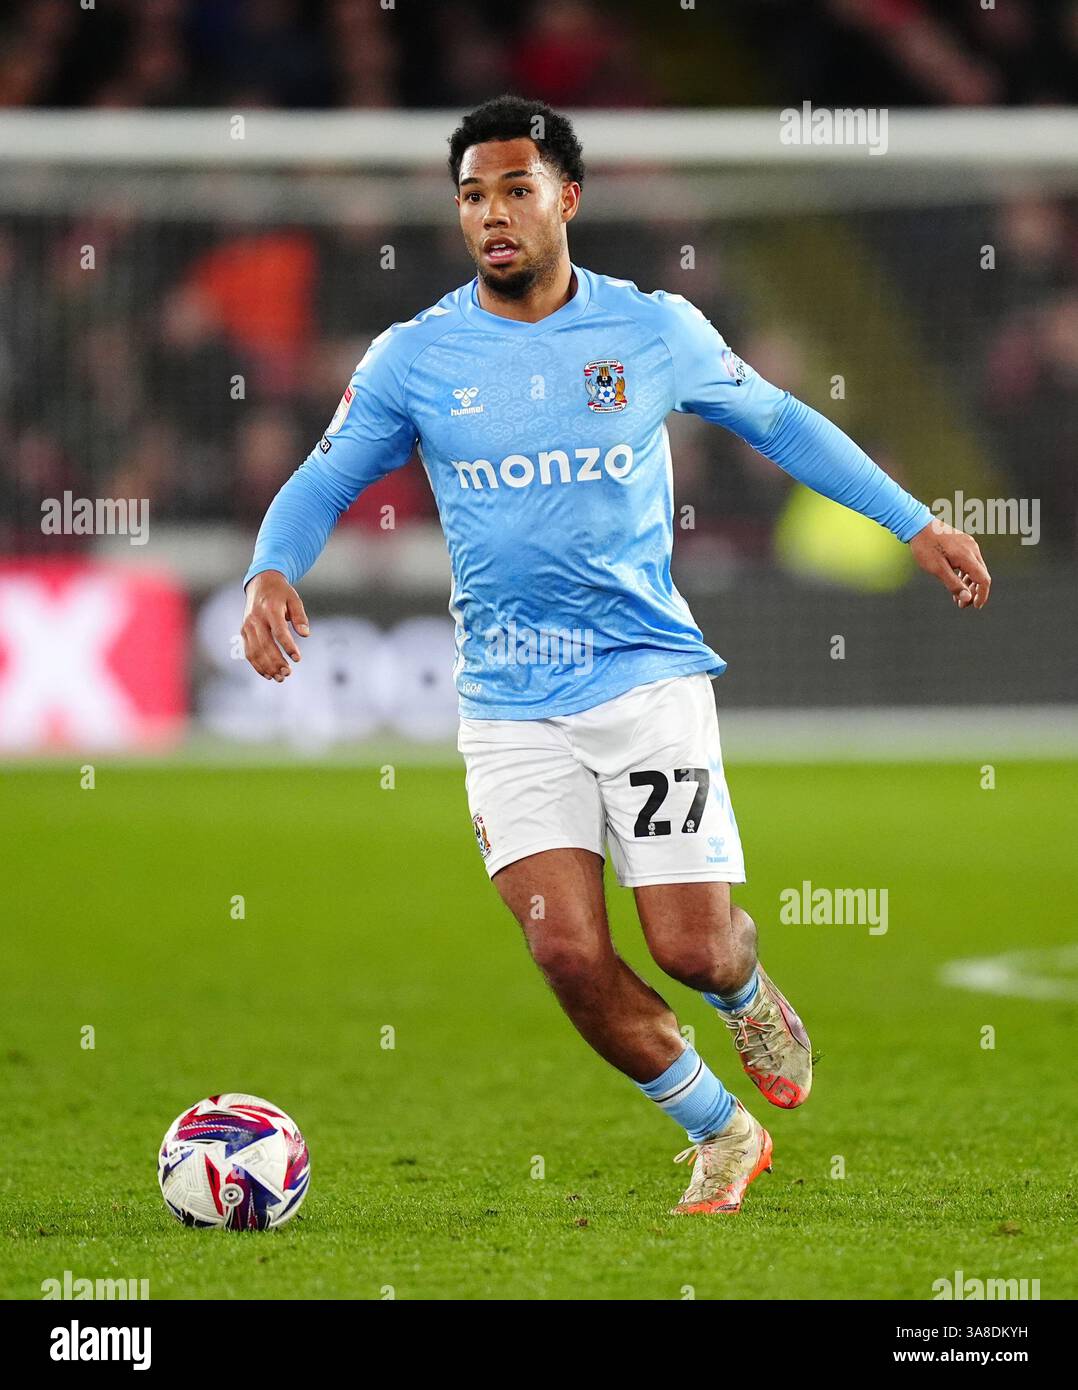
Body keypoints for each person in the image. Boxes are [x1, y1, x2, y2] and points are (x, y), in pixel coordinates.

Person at [241, 95, 991, 1215]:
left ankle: (741, 983)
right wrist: (270, 565)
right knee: (565, 958)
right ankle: (718, 1129)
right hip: (507, 701)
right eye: (471, 196)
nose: (491, 214)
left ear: (566, 200)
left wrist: (913, 521)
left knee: (687, 947)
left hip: (643, 677)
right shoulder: (414, 357)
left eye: (515, 189)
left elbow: (781, 422)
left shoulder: (653, 330)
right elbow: (323, 478)